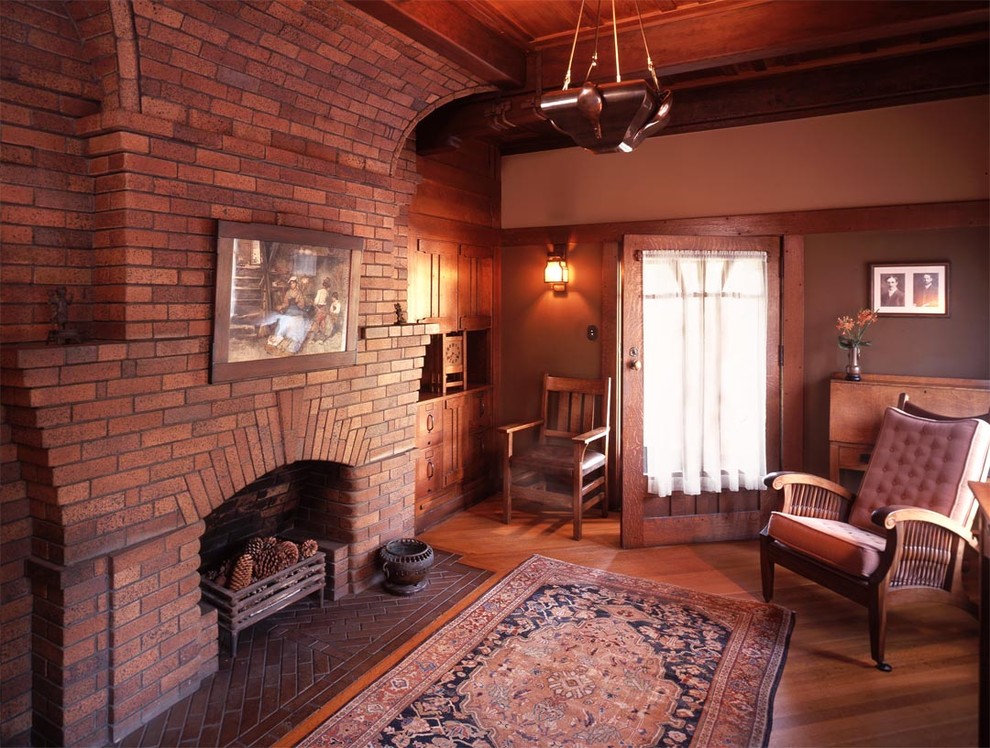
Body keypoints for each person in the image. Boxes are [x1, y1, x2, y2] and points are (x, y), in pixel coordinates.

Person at [266, 276, 310, 354]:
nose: (292, 285)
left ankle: (293, 343)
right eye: (291, 284)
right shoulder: (288, 292)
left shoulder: (299, 293)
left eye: (293, 283)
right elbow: (285, 303)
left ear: (296, 284)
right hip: (289, 310)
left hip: (297, 311)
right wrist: (281, 306)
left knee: (297, 322)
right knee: (283, 321)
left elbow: (302, 304)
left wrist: (298, 303)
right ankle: (278, 339)